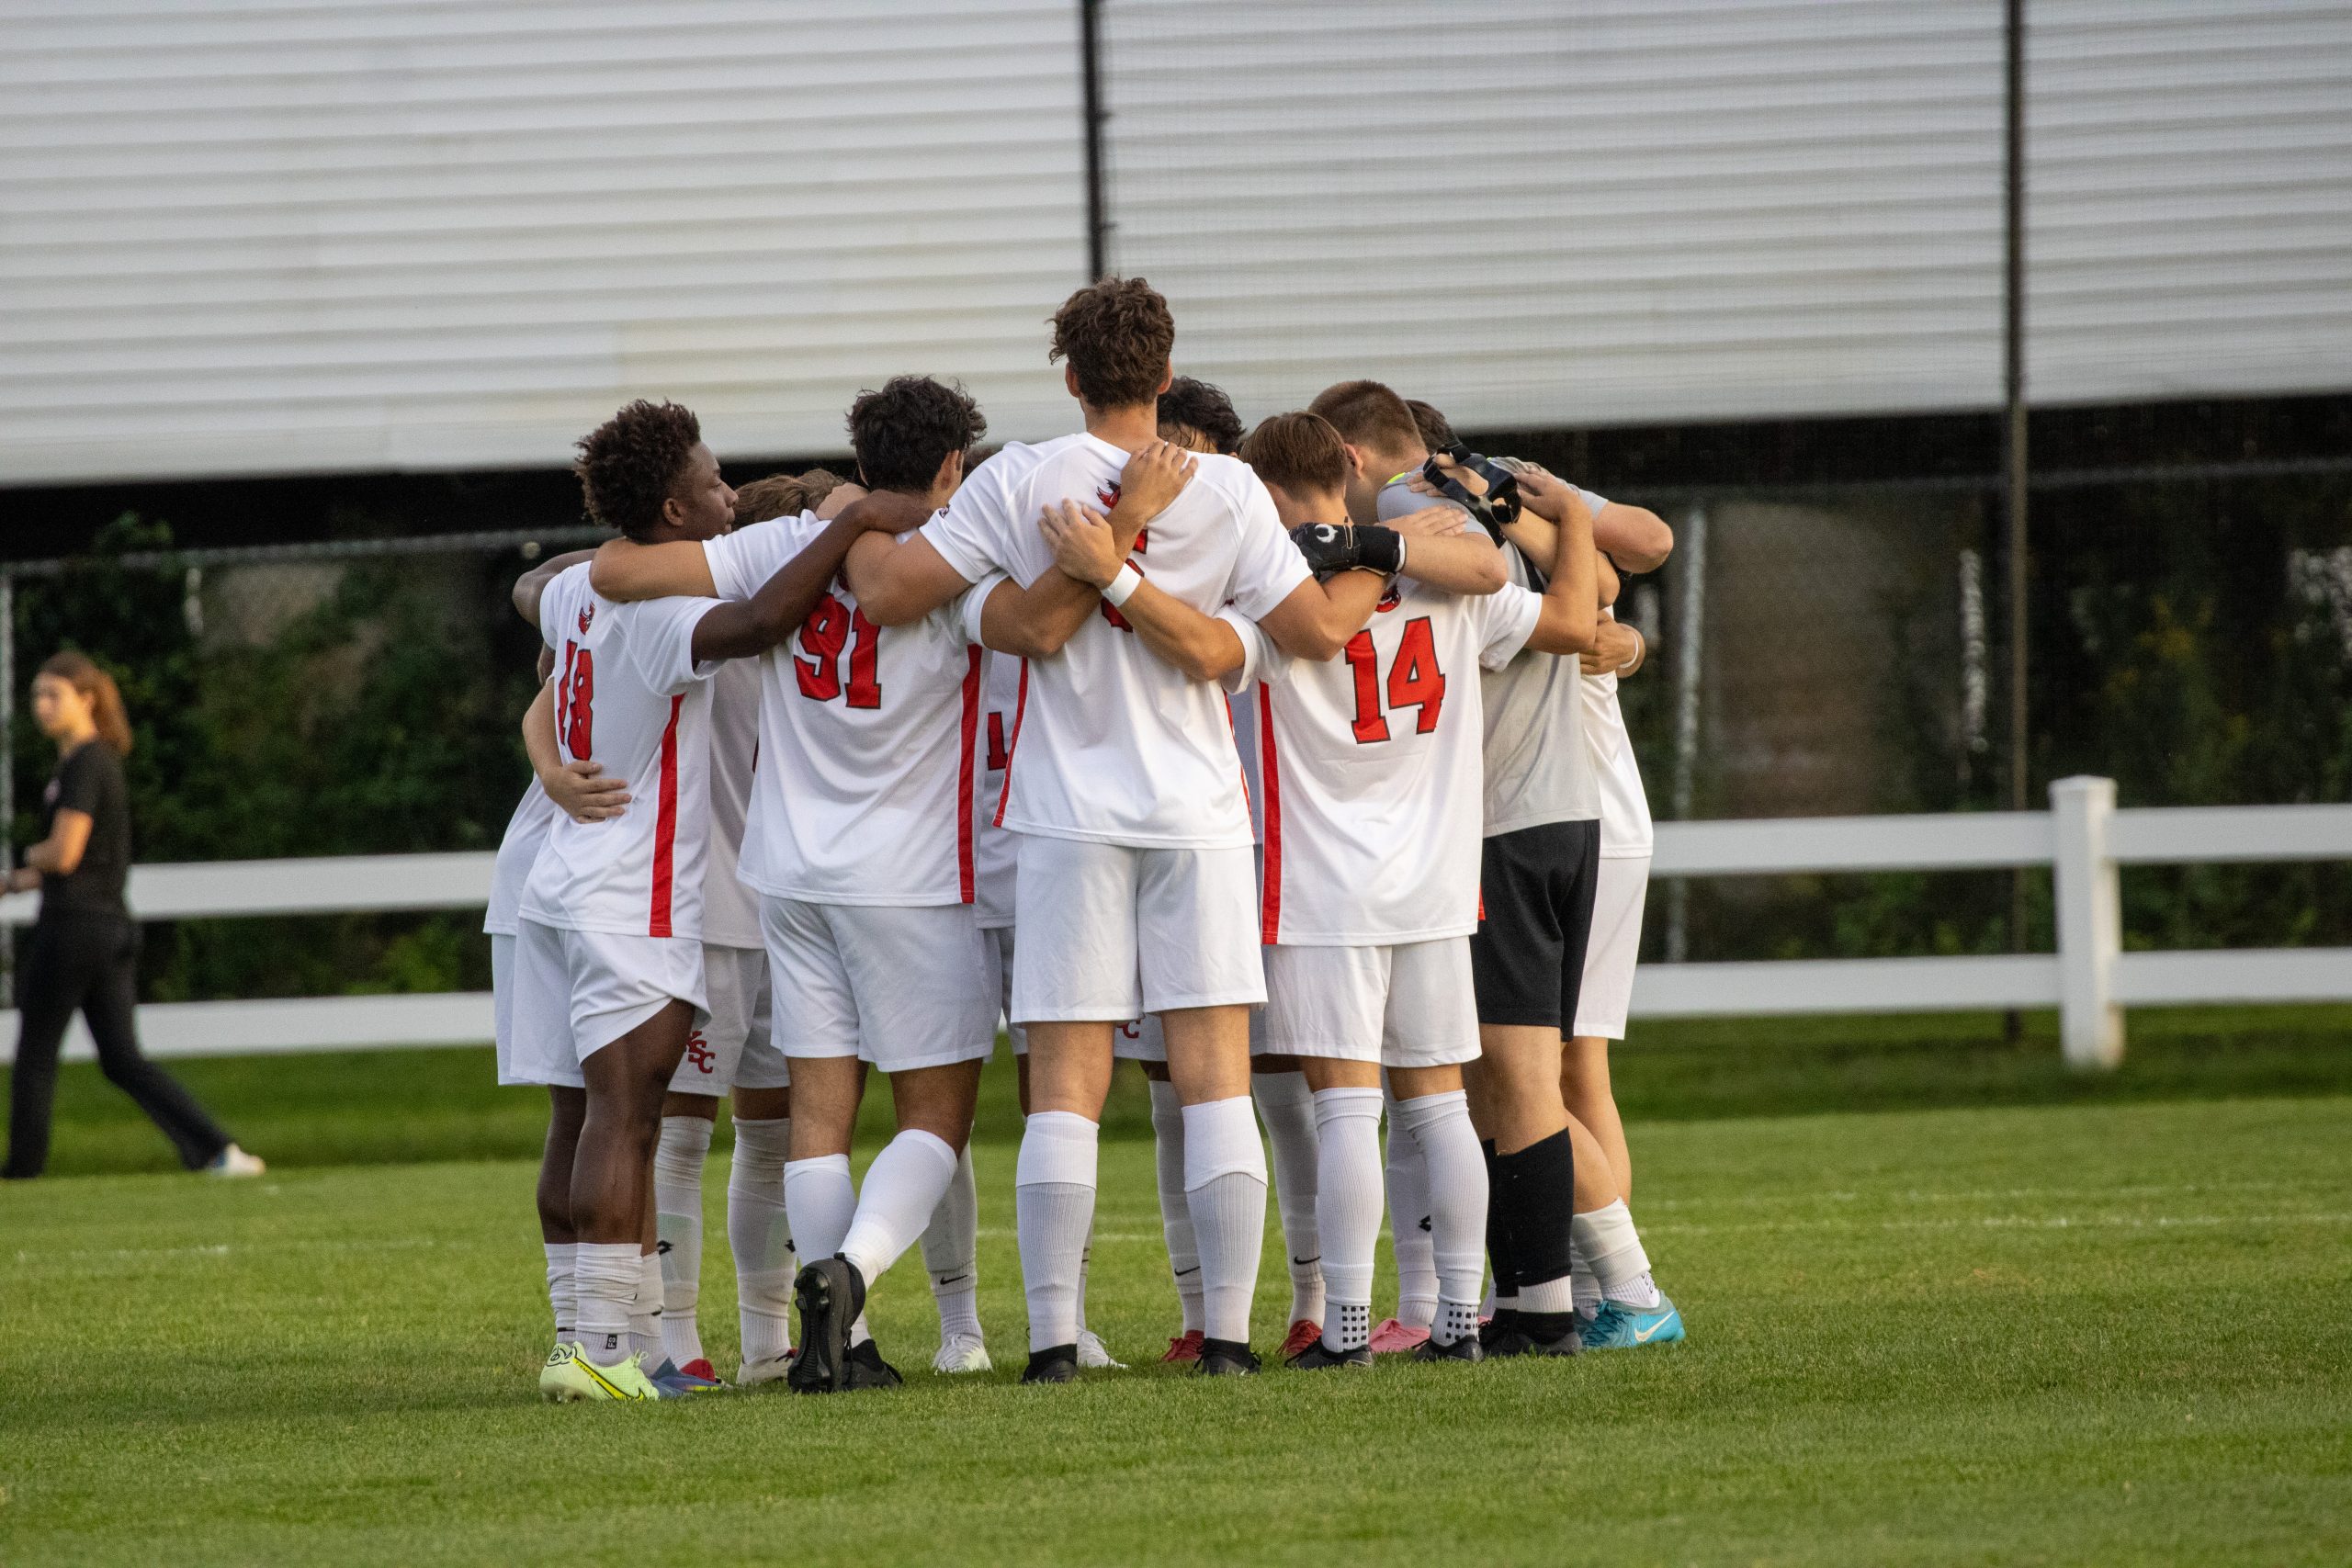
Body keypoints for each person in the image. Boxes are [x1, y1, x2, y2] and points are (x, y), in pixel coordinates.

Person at [843, 277, 1385, 1381]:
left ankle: (1051, 1342)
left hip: (1063, 815)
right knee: (1216, 1073)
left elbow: (893, 597)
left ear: (1072, 378)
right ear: (1168, 374)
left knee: (1068, 1082)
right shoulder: (1233, 491)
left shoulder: (1019, 475)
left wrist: (1058, 573)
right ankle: (1227, 1339)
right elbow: (1308, 635)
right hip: (1195, 812)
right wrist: (1208, 616)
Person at [519, 399, 902, 1402]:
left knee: (580, 1118)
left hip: (565, 886)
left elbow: (541, 603)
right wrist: (853, 523)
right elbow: (767, 618)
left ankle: (587, 1343)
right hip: (634, 896)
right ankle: (606, 1354)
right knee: (626, 1121)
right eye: (712, 480)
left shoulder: (576, 595)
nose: (728, 493)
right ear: (673, 511)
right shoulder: (666, 614)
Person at [1308, 379, 1675, 1356]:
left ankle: (1602, 1296)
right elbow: (1598, 599)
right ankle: (1529, 1299)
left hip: (1503, 823)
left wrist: (1385, 544)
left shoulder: (1413, 514)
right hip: (1563, 814)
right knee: (1513, 1080)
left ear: (1354, 458)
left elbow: (1579, 607)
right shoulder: (1501, 507)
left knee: (1519, 1082)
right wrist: (1551, 518)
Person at [3, 653, 262, 1181]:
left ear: (87, 699)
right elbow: (76, 861)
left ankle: (22, 1169)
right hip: (109, 928)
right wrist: (11, 882)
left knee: (35, 1052)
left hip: (74, 927)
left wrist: (28, 856)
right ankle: (218, 1151)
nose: (42, 707)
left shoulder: (86, 764)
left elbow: (65, 854)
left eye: (54, 694)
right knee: (122, 1059)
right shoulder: (85, 765)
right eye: (36, 695)